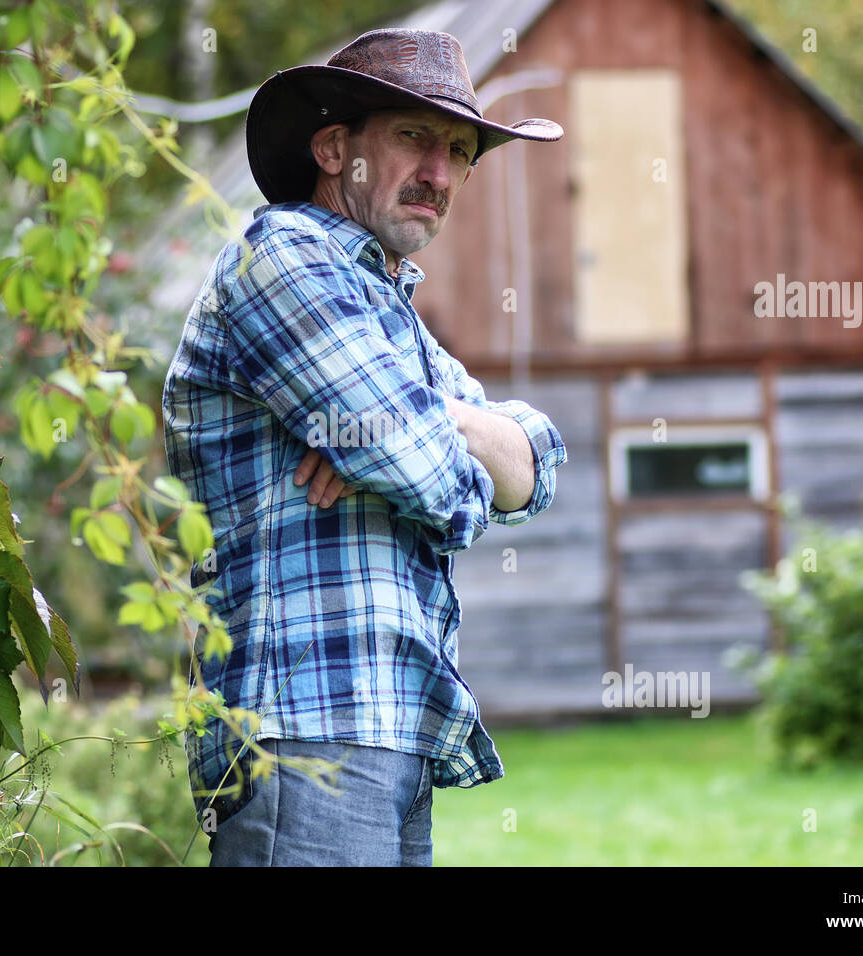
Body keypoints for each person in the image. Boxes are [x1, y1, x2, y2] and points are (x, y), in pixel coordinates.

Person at [162, 27, 568, 866]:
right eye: (415, 137)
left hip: (387, 732)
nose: (441, 174)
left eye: (460, 151)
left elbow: (536, 463)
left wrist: (429, 423)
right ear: (333, 146)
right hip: (301, 736)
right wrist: (431, 446)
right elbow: (428, 476)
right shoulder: (282, 259)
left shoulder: (390, 314)